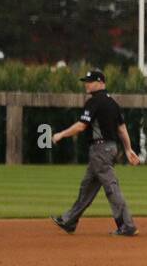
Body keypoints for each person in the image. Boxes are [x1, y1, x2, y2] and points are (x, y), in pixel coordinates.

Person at [49, 69, 142, 237]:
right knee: (87, 186)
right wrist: (128, 149)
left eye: (90, 81)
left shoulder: (94, 102)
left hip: (100, 149)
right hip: (109, 148)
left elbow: (81, 126)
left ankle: (127, 225)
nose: (87, 84)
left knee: (111, 187)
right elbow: (122, 129)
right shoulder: (112, 103)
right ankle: (69, 221)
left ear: (100, 83)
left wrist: (61, 134)